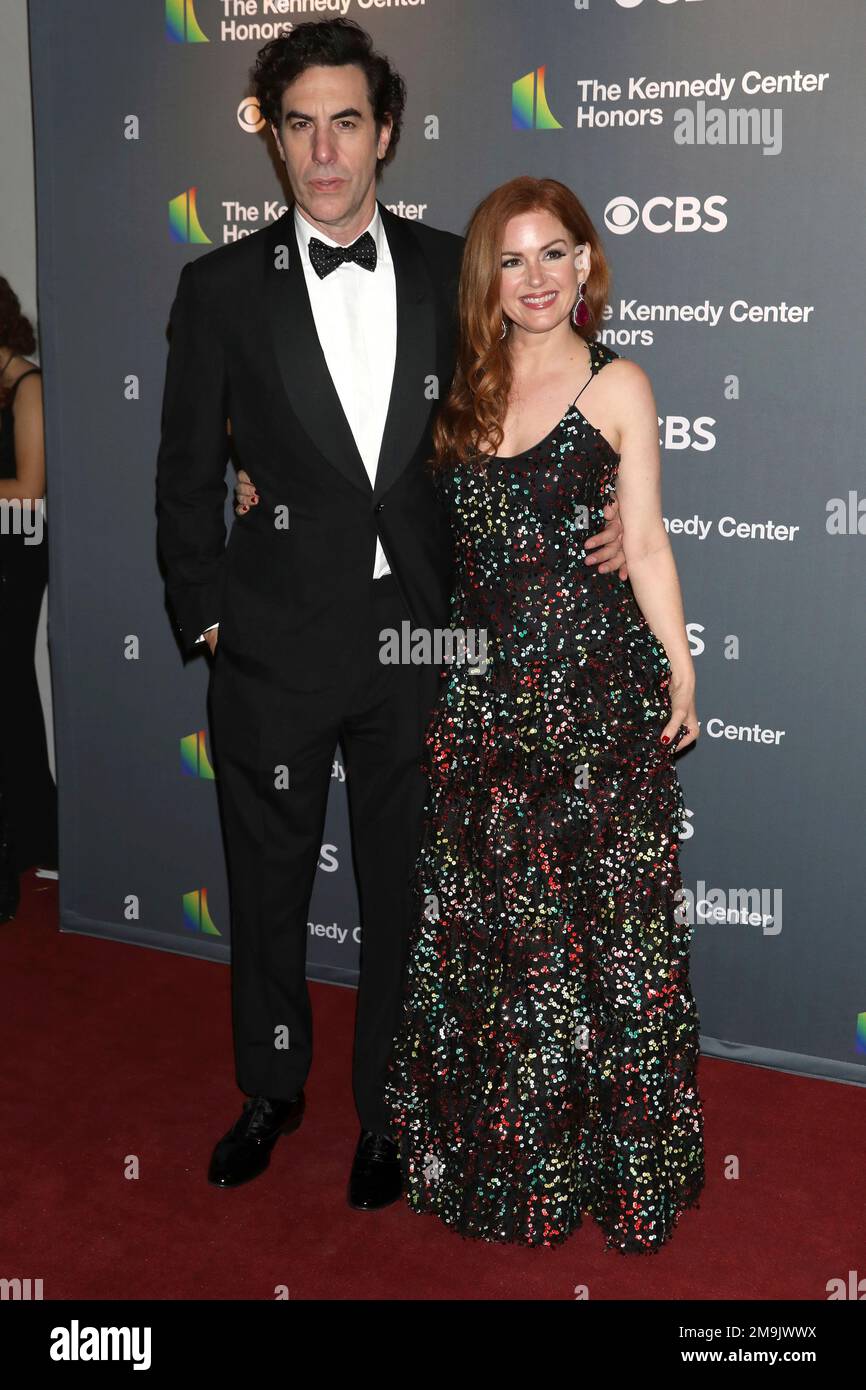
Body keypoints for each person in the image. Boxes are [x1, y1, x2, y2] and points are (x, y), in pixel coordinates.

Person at [156, 20, 627, 1209]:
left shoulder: (442, 269)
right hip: (271, 647)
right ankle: (269, 1088)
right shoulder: (216, 288)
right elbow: (181, 477)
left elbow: (547, 385)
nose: (324, 149)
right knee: (263, 883)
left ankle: (389, 1109)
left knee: (403, 889)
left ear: (385, 133)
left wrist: (614, 506)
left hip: (422, 639)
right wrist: (208, 615)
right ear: (272, 136)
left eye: (346, 121)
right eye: (299, 122)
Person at [380, 177, 704, 1254]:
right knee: (501, 953)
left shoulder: (621, 387)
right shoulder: (455, 389)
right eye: (512, 259)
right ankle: (509, 1173)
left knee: (609, 947)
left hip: (596, 708)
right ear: (488, 276)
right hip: (482, 713)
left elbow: (645, 541)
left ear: (585, 266)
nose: (535, 277)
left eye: (554, 253)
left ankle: (618, 1176)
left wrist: (679, 668)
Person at [0, 276, 57, 923]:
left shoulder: (28, 387)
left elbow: (28, 488)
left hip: (18, 556)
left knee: (11, 686)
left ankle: (35, 834)